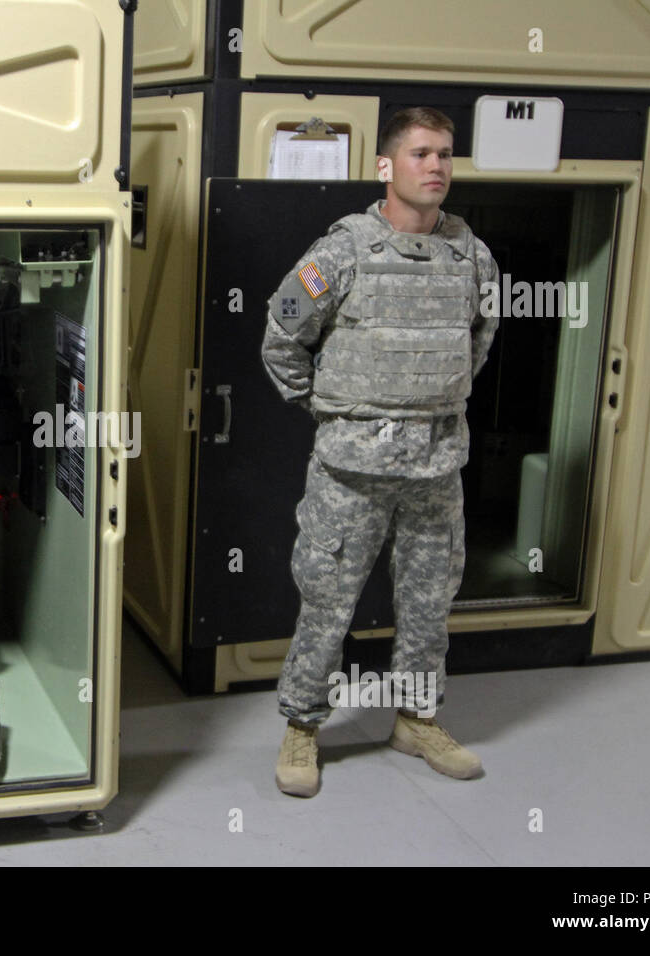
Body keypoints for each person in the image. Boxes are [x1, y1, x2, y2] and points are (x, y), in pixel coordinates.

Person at [261, 107, 500, 797]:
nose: (436, 167)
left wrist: (431, 408)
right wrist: (334, 412)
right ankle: (303, 729)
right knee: (327, 601)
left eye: (447, 155)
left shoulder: (471, 255)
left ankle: (417, 719)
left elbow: (476, 344)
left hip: (436, 466)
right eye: (422, 153)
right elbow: (282, 343)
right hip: (351, 470)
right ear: (386, 167)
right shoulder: (341, 251)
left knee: (430, 605)